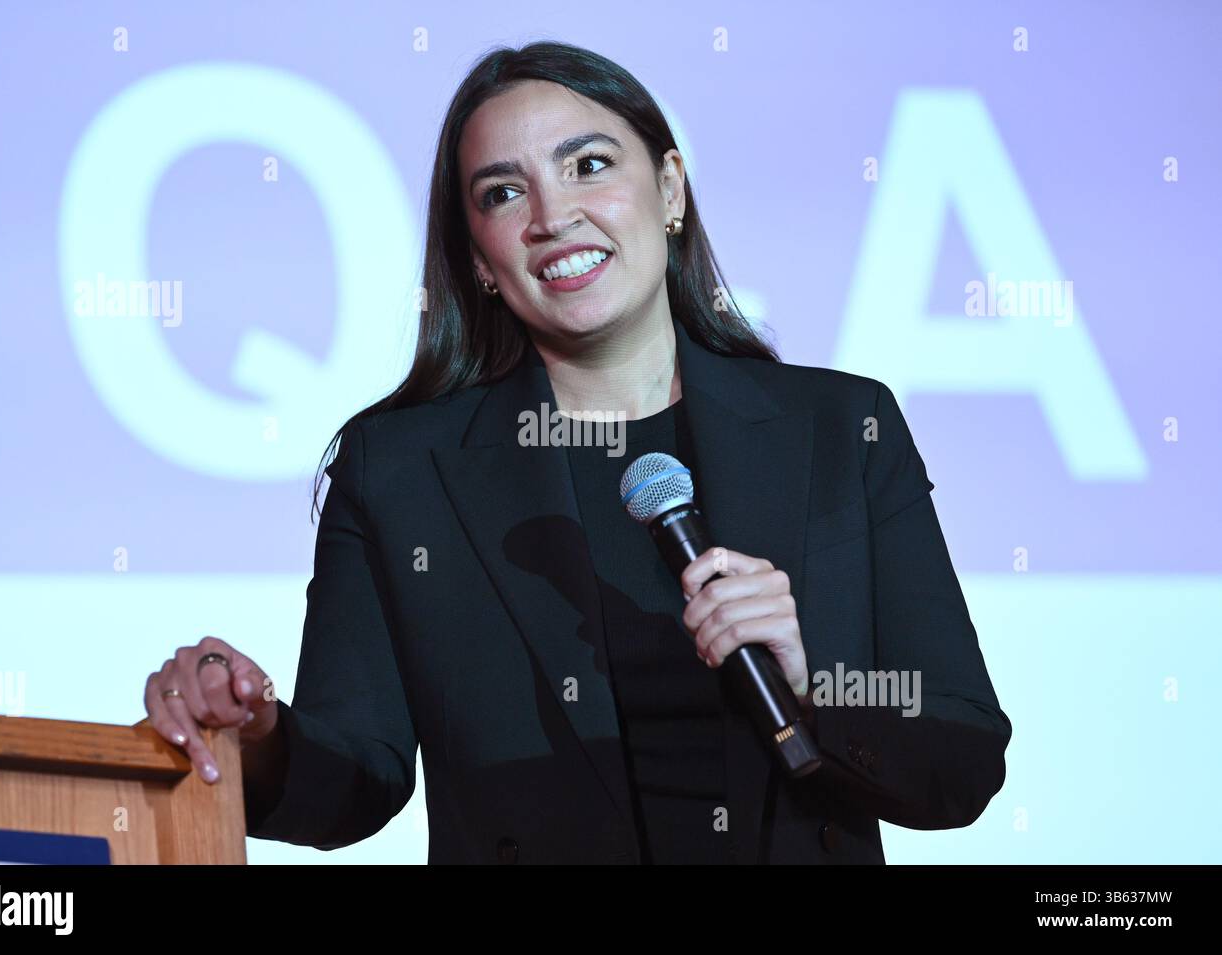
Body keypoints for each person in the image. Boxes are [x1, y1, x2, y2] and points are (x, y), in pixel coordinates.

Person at [142, 40, 1011, 864]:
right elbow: (353, 778)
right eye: (501, 193)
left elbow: (962, 752)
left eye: (589, 165)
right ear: (479, 257)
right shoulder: (399, 471)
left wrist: (817, 681)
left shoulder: (840, 427)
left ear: (670, 189)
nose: (553, 216)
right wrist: (253, 734)